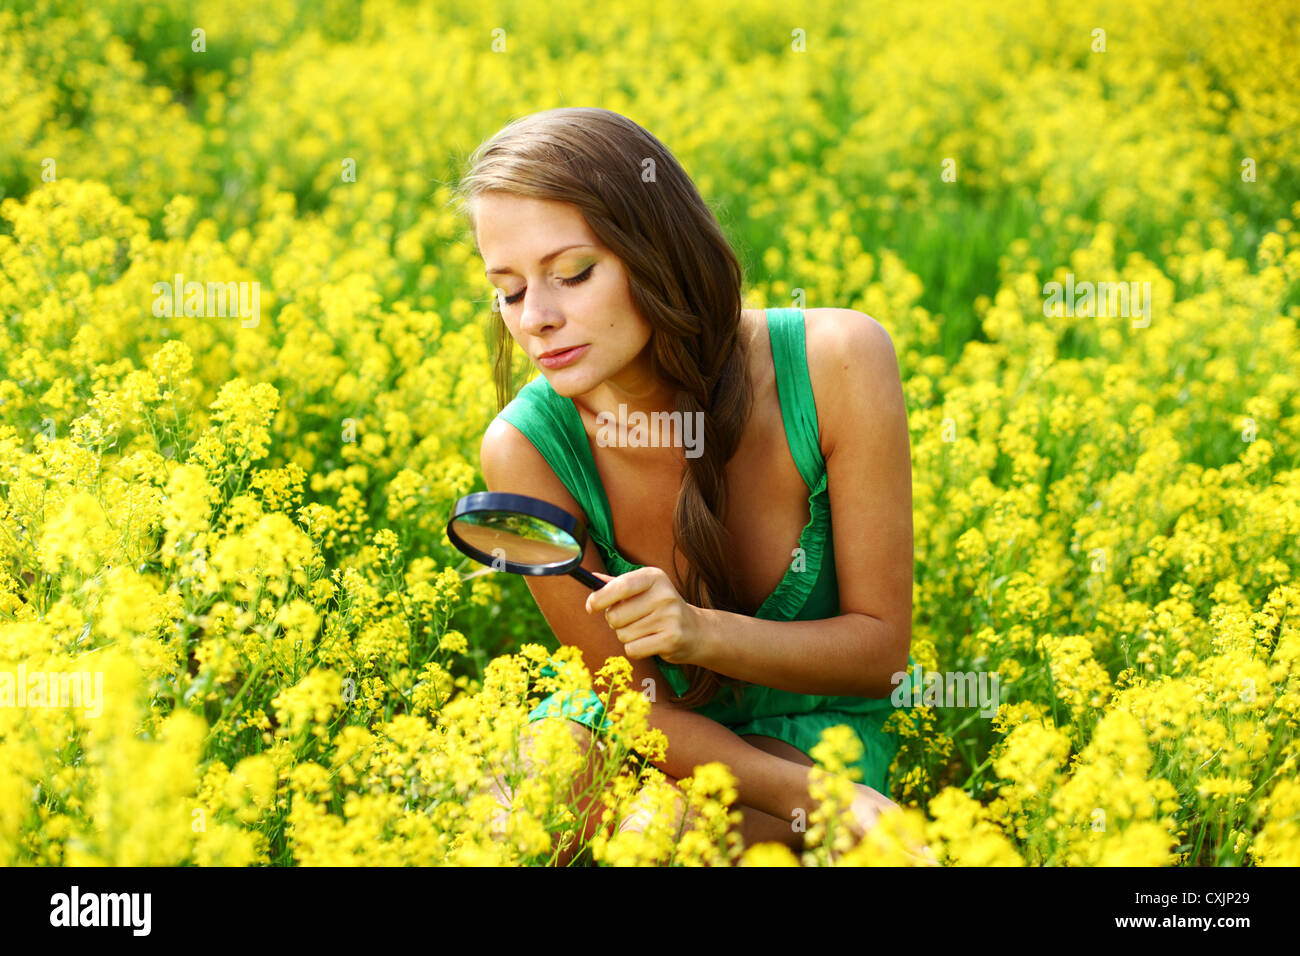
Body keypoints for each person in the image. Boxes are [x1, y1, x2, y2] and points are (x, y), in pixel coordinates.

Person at [455, 107, 930, 864]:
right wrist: (821, 806)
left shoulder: (837, 360)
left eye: (572, 273)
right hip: (645, 719)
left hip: (811, 724)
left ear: (658, 252)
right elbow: (634, 702)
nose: (537, 319)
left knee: (662, 844)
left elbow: (880, 654)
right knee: (506, 829)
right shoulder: (524, 447)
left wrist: (702, 634)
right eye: (508, 292)